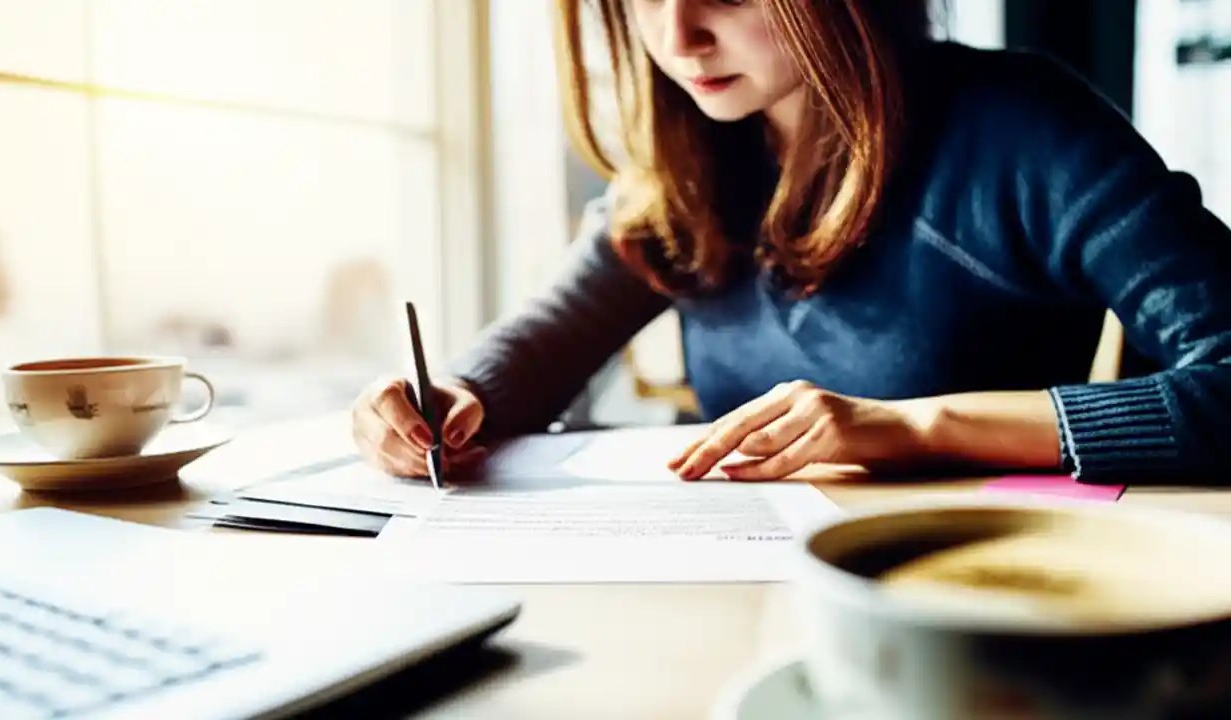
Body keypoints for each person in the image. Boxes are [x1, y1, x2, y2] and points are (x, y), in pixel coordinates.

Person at [352, 0, 1231, 485]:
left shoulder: (1024, 131)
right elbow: (543, 341)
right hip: (744, 587)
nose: (676, 35)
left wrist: (919, 428)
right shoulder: (692, 157)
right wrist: (447, 399)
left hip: (974, 609)